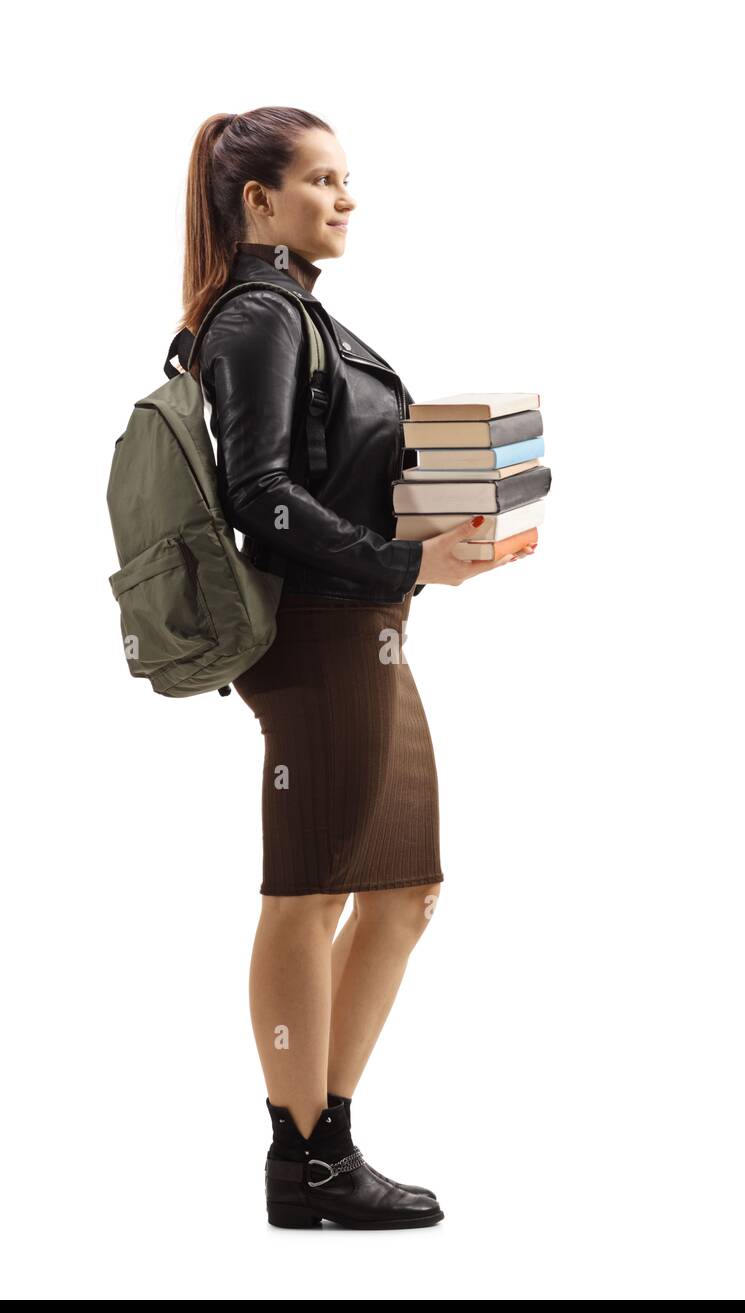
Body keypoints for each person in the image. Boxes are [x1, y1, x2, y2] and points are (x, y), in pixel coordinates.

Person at [170, 107, 535, 1230]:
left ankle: (326, 1131)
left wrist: (429, 548)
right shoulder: (260, 316)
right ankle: (303, 1157)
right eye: (321, 179)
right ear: (258, 203)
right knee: (310, 888)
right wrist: (395, 556)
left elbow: (321, 476)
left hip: (367, 621)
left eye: (346, 177)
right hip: (318, 634)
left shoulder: (302, 316)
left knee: (404, 891)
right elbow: (260, 495)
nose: (345, 197)